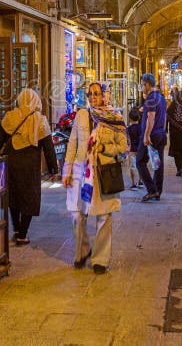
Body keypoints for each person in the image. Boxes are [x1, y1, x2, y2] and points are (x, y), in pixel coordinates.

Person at [62, 82, 128, 274]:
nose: (93, 97)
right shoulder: (82, 115)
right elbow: (72, 144)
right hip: (80, 172)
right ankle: (83, 250)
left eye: (97, 94)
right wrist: (67, 171)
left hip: (103, 172)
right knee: (76, 214)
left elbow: (123, 147)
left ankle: (100, 259)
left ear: (105, 95)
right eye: (90, 94)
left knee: (104, 217)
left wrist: (105, 149)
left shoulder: (115, 118)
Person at [0, 88, 58, 246]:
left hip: (11, 163)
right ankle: (22, 234)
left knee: (13, 196)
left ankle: (17, 229)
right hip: (30, 167)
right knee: (29, 198)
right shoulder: (40, 121)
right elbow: (48, 147)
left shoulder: (10, 117)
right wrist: (53, 169)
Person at [137, 73, 167, 202]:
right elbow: (163, 117)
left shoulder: (150, 98)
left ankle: (151, 189)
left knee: (140, 161)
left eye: (142, 85)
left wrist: (146, 135)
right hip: (160, 133)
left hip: (152, 135)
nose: (141, 87)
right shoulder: (161, 97)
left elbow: (151, 117)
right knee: (158, 163)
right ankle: (157, 190)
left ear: (147, 85)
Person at [166, 87, 182, 176]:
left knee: (177, 151)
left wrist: (176, 125)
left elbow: (168, 116)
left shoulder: (173, 105)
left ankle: (180, 168)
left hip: (175, 132)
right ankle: (181, 168)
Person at [126, 108, 142, 189]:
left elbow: (127, 140)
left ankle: (134, 184)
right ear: (139, 118)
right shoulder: (141, 128)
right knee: (141, 166)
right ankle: (141, 181)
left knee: (132, 166)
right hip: (140, 149)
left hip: (132, 150)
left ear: (130, 118)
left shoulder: (128, 129)